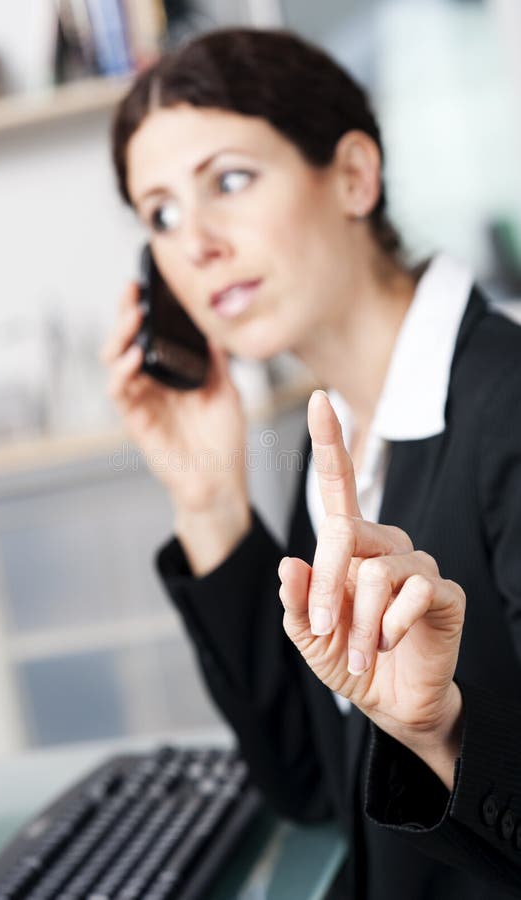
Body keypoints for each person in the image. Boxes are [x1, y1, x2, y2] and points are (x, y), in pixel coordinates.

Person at [101, 27, 521, 899]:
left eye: (230, 180)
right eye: (161, 216)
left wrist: (441, 733)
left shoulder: (505, 410)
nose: (197, 243)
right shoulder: (332, 438)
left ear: (354, 177)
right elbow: (308, 781)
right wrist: (210, 500)